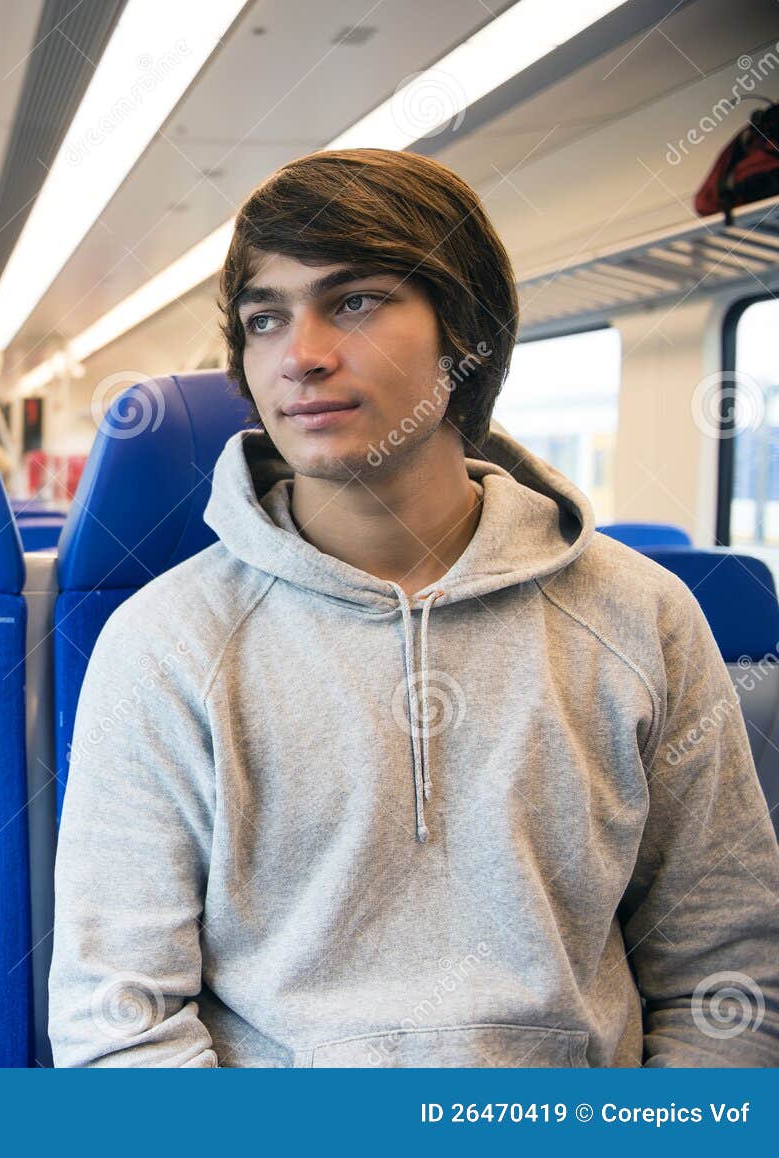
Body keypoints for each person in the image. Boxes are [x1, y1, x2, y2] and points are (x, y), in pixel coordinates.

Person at [47, 148, 779, 1067]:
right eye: (265, 319)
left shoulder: (642, 616)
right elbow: (119, 1023)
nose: (301, 356)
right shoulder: (164, 644)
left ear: (464, 333)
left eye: (353, 301)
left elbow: (729, 981)